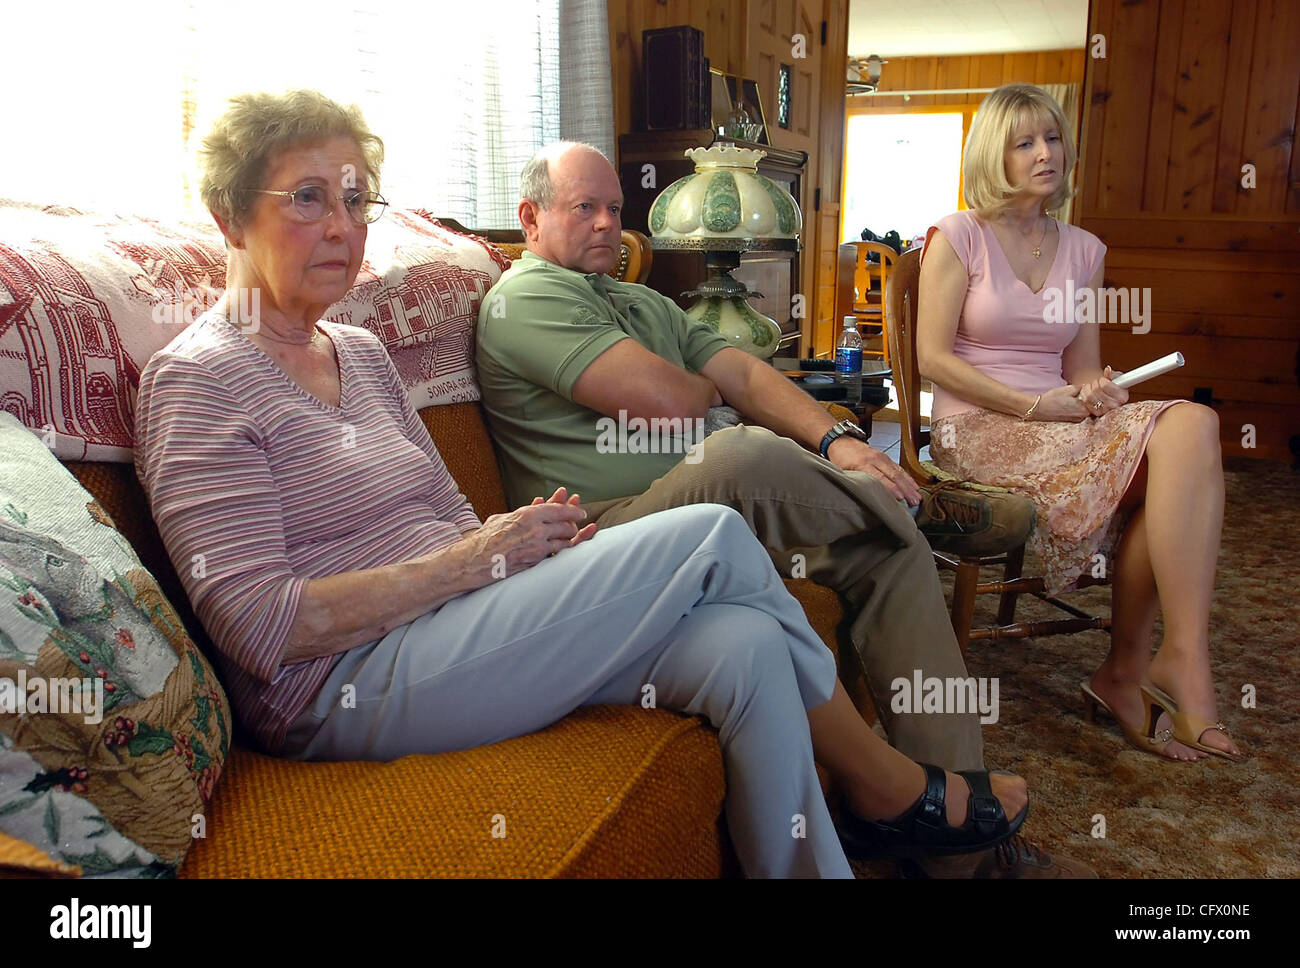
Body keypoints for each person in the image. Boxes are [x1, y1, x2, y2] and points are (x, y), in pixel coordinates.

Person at [132, 89, 1031, 879]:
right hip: (337, 684)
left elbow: (448, 519)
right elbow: (258, 626)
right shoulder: (197, 380)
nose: (342, 225)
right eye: (308, 198)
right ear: (227, 212)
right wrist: (477, 560)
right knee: (714, 533)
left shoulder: (360, 355)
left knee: (743, 649)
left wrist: (524, 540)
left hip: (451, 622)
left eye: (357, 199)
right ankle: (887, 788)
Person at [476, 141, 1095, 879]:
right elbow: (677, 402)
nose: (610, 224)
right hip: (603, 537)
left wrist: (837, 441)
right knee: (739, 450)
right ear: (531, 218)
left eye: (616, 208)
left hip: (712, 520)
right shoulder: (526, 297)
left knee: (889, 552)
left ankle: (962, 857)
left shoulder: (639, 301)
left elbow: (742, 368)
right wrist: (713, 388)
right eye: (586, 208)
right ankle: (928, 508)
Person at [917, 83, 1242, 763]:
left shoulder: (1085, 250)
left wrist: (1096, 390)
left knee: (1192, 427)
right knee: (1170, 461)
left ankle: (1171, 658)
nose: (1046, 153)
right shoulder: (959, 236)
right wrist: (1036, 406)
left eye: (1053, 138)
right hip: (978, 427)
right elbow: (932, 361)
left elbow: (1083, 368)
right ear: (994, 155)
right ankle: (1132, 671)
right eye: (1025, 141)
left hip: (1060, 421)